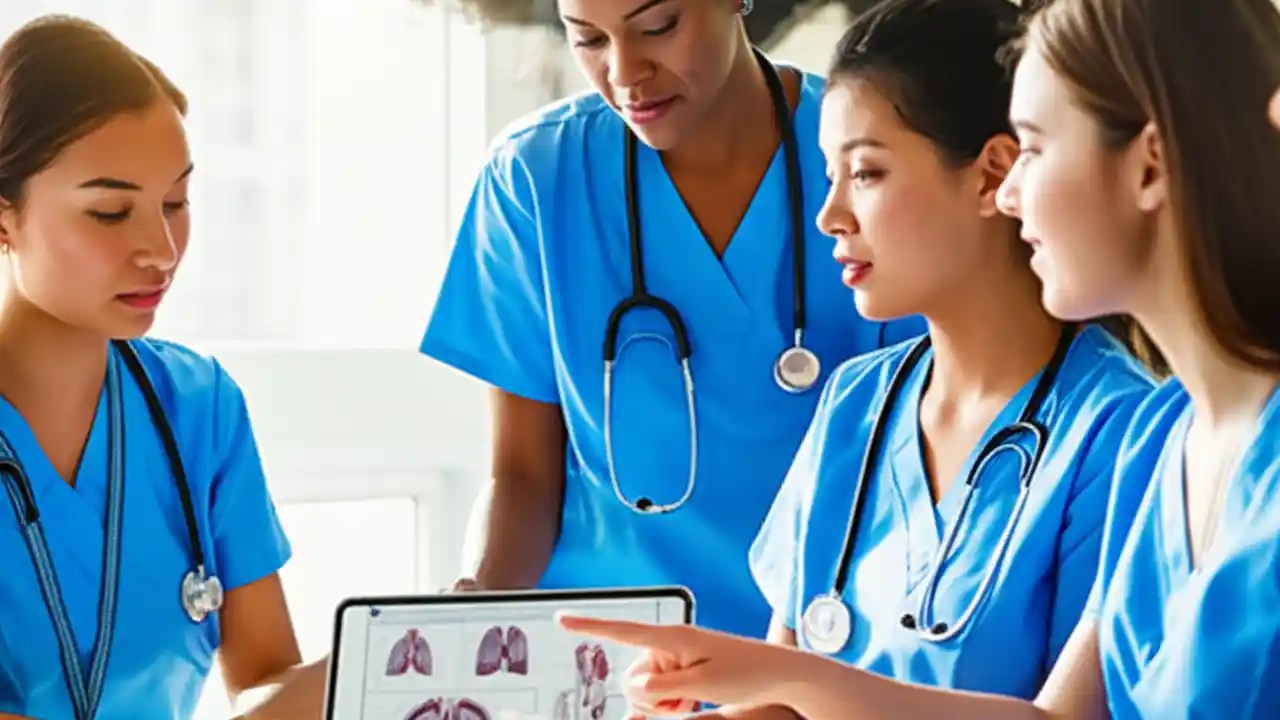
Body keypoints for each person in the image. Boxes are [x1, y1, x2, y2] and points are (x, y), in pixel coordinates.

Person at [557, 0, 1280, 717]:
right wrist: (761, 683)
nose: (1015, 191)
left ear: (1150, 164)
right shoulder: (1172, 430)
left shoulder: (1131, 426)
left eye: (1030, 149)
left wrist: (796, 679)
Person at [421, 0, 923, 638]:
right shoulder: (535, 178)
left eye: (658, 27)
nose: (625, 73)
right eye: (588, 40)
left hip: (821, 650)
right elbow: (522, 476)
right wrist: (474, 610)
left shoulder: (868, 157)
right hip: (604, 659)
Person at [739, 0, 1153, 708]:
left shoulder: (1119, 433)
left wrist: (801, 685)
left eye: (865, 174)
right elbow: (781, 698)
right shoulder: (854, 404)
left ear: (993, 177)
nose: (829, 215)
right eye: (829, 175)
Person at [0, 16, 324, 720]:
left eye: (175, 203)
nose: (162, 248)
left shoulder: (200, 409)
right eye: (111, 212)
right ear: (4, 218)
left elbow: (267, 677)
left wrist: (386, 664)